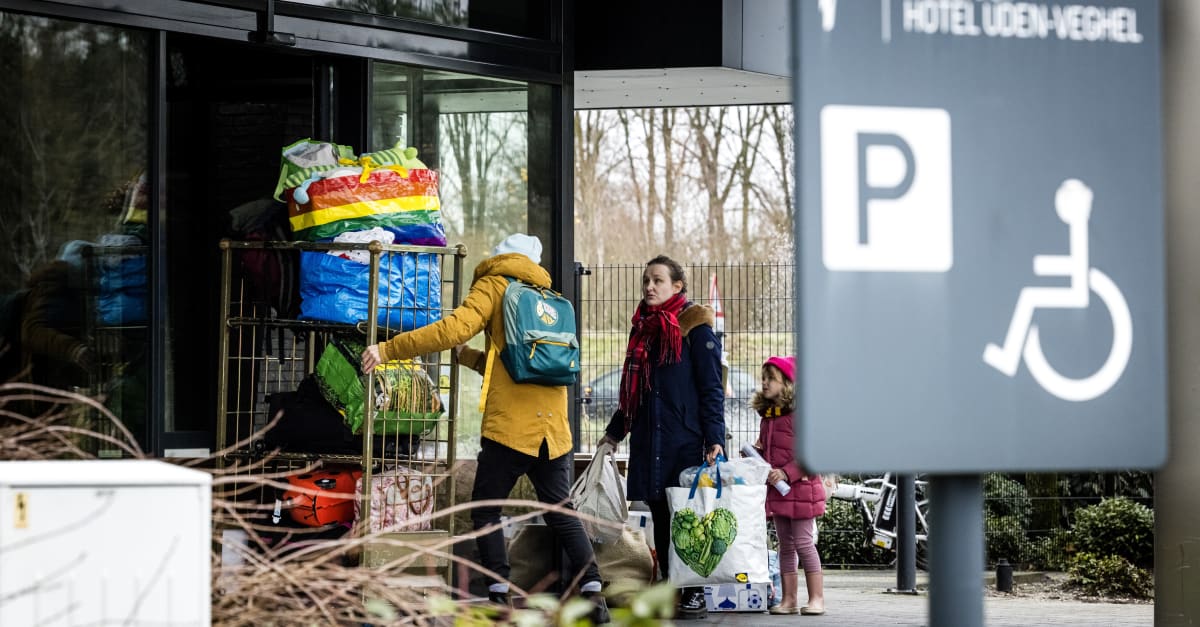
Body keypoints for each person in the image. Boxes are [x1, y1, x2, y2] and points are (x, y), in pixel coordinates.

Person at [360, 233, 608, 623]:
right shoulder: (549, 297)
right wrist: (469, 358)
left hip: (510, 429)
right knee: (561, 509)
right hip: (553, 430)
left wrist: (388, 349)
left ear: (500, 257)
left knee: (486, 509)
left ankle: (498, 596)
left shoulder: (495, 284)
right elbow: (520, 365)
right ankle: (594, 592)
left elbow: (453, 329)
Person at [597, 255, 725, 621]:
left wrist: (715, 437)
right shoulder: (644, 330)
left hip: (685, 440)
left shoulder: (696, 329)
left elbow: (711, 388)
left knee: (687, 515)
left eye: (658, 280)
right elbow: (634, 394)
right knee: (661, 513)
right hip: (649, 439)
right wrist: (613, 433)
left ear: (677, 286)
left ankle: (693, 590)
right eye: (646, 281)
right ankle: (671, 585)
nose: (649, 286)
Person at [751, 355, 826, 616]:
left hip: (802, 489)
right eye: (763, 378)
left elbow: (814, 454)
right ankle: (789, 599)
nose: (765, 383)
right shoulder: (768, 417)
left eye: (771, 379)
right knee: (785, 545)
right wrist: (755, 456)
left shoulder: (799, 416)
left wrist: (786, 472)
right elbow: (768, 451)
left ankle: (817, 599)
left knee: (804, 543)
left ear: (787, 384)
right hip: (779, 491)